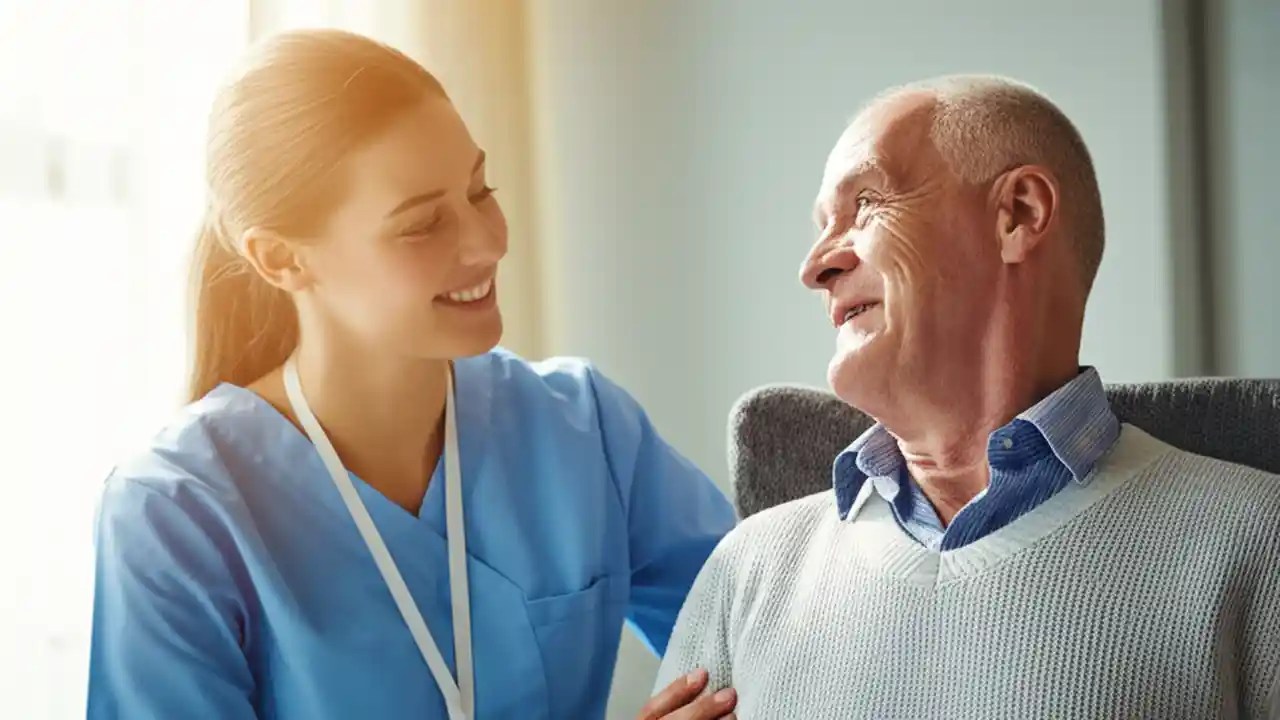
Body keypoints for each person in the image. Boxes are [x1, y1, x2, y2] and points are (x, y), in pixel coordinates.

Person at [87, 29, 740, 720]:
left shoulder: (585, 429)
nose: (488, 242)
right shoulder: (173, 513)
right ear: (281, 259)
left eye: (480, 190)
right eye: (422, 224)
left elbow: (767, 638)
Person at [655, 75, 1280, 718]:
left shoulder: (1260, 541)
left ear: (1020, 215)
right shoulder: (748, 566)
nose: (815, 267)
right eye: (822, 226)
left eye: (865, 203)